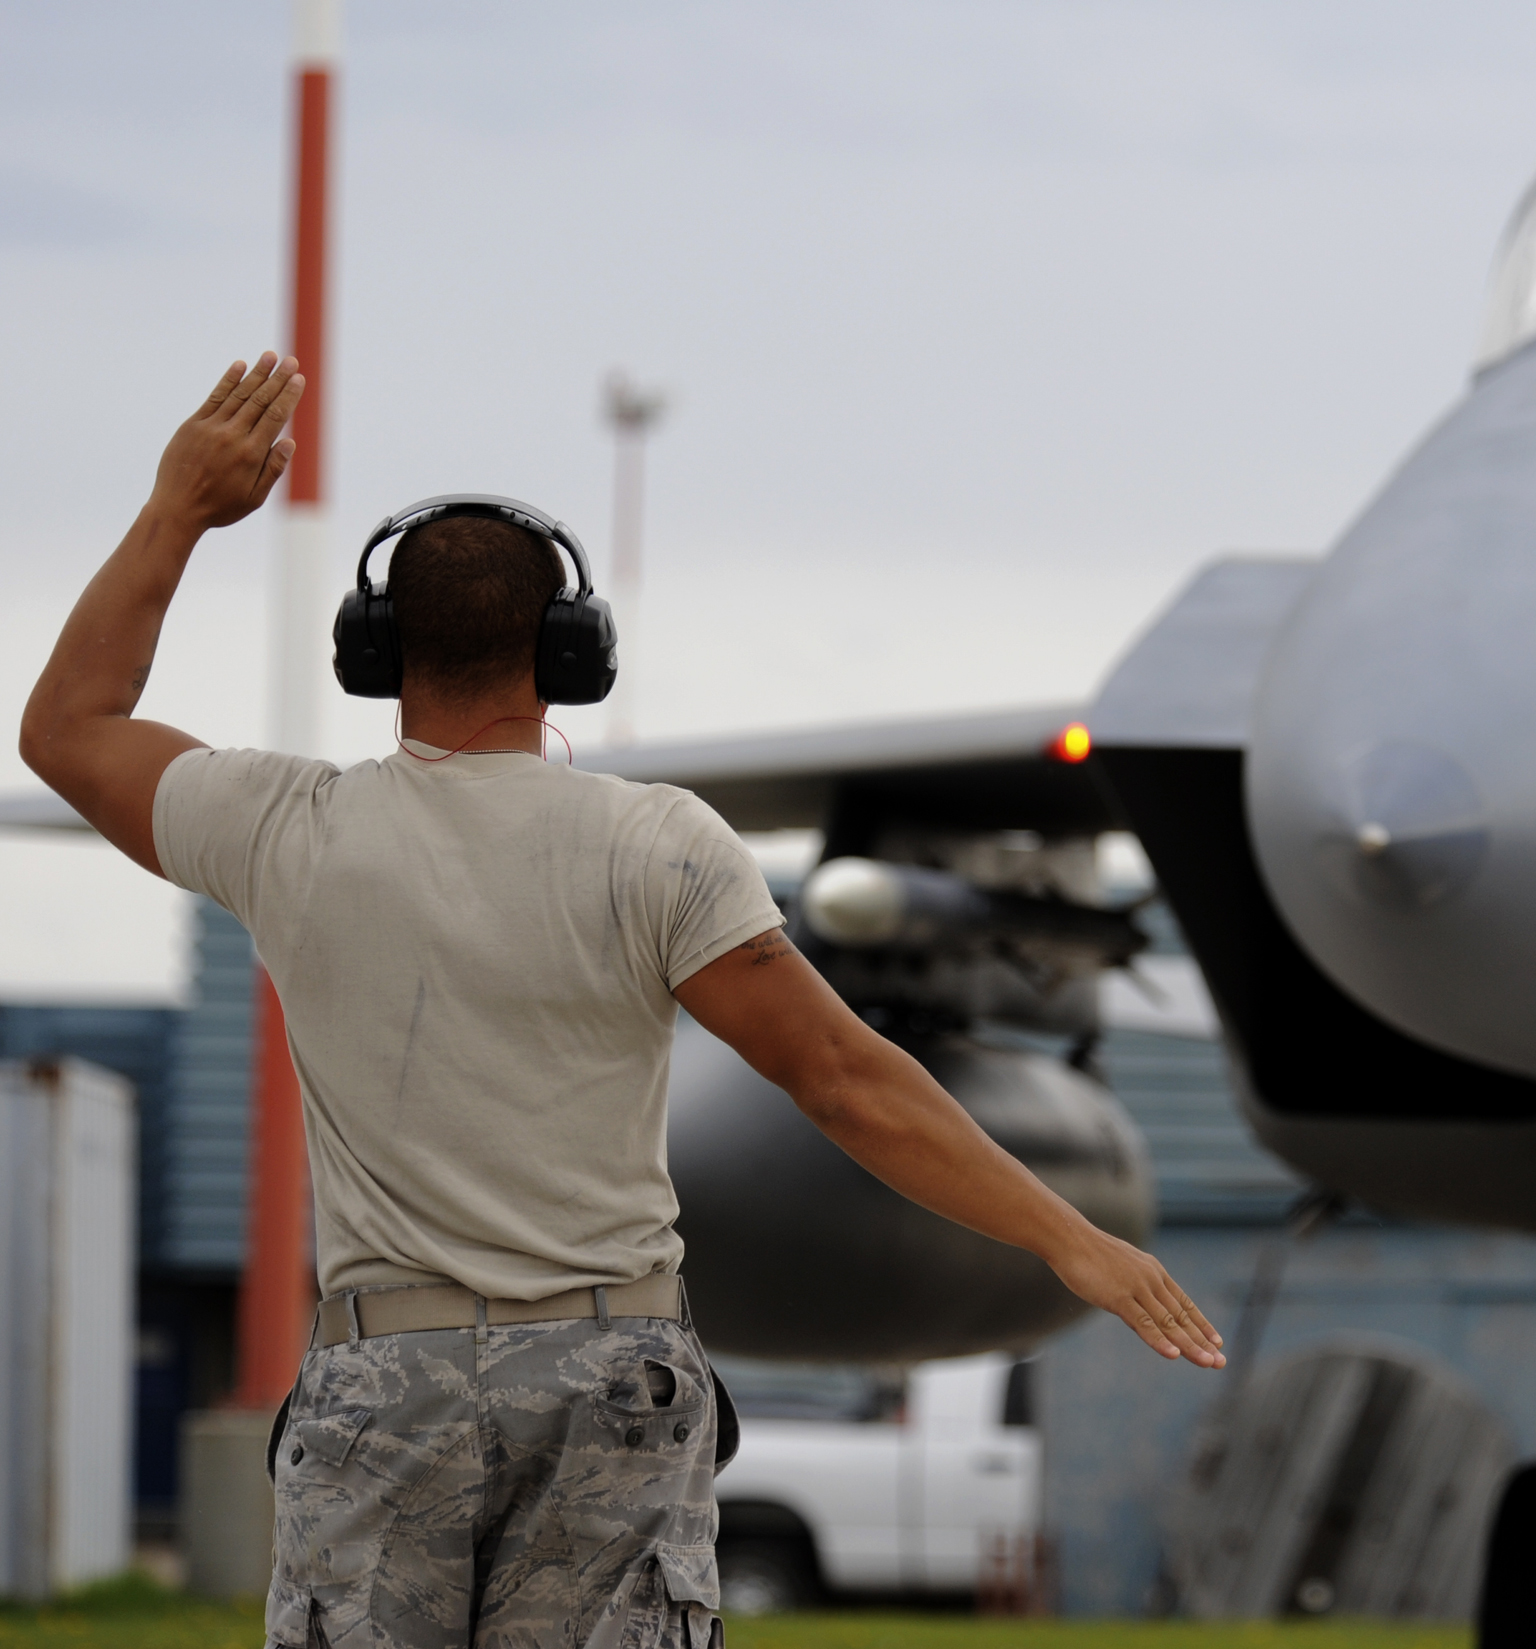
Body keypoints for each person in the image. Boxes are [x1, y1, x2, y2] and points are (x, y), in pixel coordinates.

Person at [19, 353, 1223, 1648]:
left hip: (385, 1381)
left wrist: (179, 507)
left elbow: (67, 727)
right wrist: (1070, 1238)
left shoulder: (284, 829)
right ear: (569, 652)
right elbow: (844, 1079)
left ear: (375, 653)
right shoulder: (661, 847)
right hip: (609, 1378)